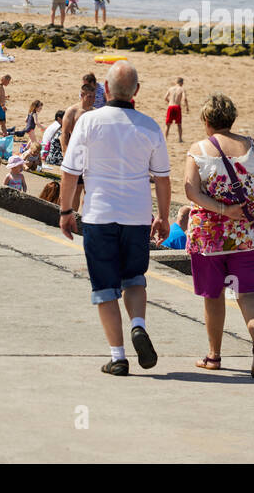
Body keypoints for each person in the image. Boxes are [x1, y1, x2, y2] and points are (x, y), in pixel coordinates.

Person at [58, 61, 171, 376]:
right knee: (134, 278)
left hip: (99, 216)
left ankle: (118, 356)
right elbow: (162, 179)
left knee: (105, 288)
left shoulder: (88, 122)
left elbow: (70, 172)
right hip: (136, 217)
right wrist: (163, 217)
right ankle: (138, 324)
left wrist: (66, 211)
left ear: (104, 90)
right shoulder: (149, 126)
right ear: (136, 91)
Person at [183, 93, 254, 377]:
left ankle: (214, 356)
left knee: (214, 295)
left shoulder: (197, 149)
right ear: (232, 118)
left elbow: (191, 192)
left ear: (207, 120)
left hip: (210, 238)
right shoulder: (250, 145)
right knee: (248, 292)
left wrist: (223, 209)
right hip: (247, 233)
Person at [163, 77, 189, 141]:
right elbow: (184, 98)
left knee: (168, 124)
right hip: (177, 107)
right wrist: (186, 107)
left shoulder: (171, 88)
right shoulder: (181, 89)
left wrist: (170, 102)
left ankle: (166, 138)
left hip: (170, 106)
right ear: (182, 83)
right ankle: (180, 138)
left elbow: (165, 97)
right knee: (179, 124)